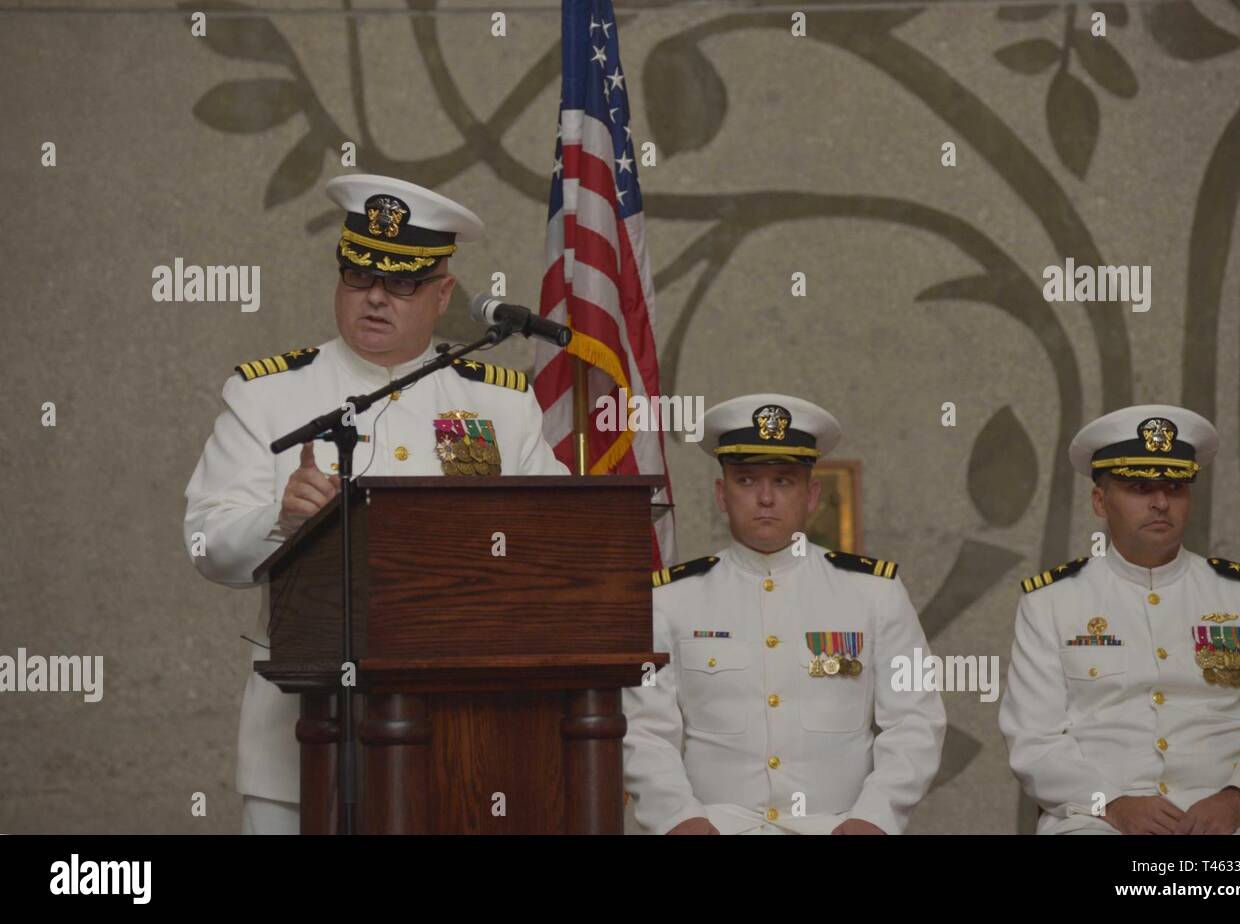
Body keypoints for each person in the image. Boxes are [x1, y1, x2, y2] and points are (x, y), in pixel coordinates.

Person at [183, 174, 568, 834]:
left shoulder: (500, 402)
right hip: (301, 738)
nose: (376, 298)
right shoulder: (268, 395)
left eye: (403, 283)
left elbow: (554, 543)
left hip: (466, 740)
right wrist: (281, 519)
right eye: (359, 276)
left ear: (443, 291)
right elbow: (207, 543)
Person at [623, 394, 946, 834]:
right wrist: (679, 819)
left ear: (813, 494)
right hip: (715, 827)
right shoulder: (672, 599)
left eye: (784, 481)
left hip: (836, 826)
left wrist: (874, 818)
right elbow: (644, 731)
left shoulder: (875, 593)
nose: (766, 498)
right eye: (747, 479)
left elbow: (915, 721)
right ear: (722, 493)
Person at [999, 404, 1240, 834]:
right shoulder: (1051, 603)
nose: (1160, 502)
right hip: (1098, 815)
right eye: (1140, 487)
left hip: (1238, 814)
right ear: (1100, 501)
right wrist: (1113, 804)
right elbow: (1034, 740)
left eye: (1175, 488)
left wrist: (1239, 799)